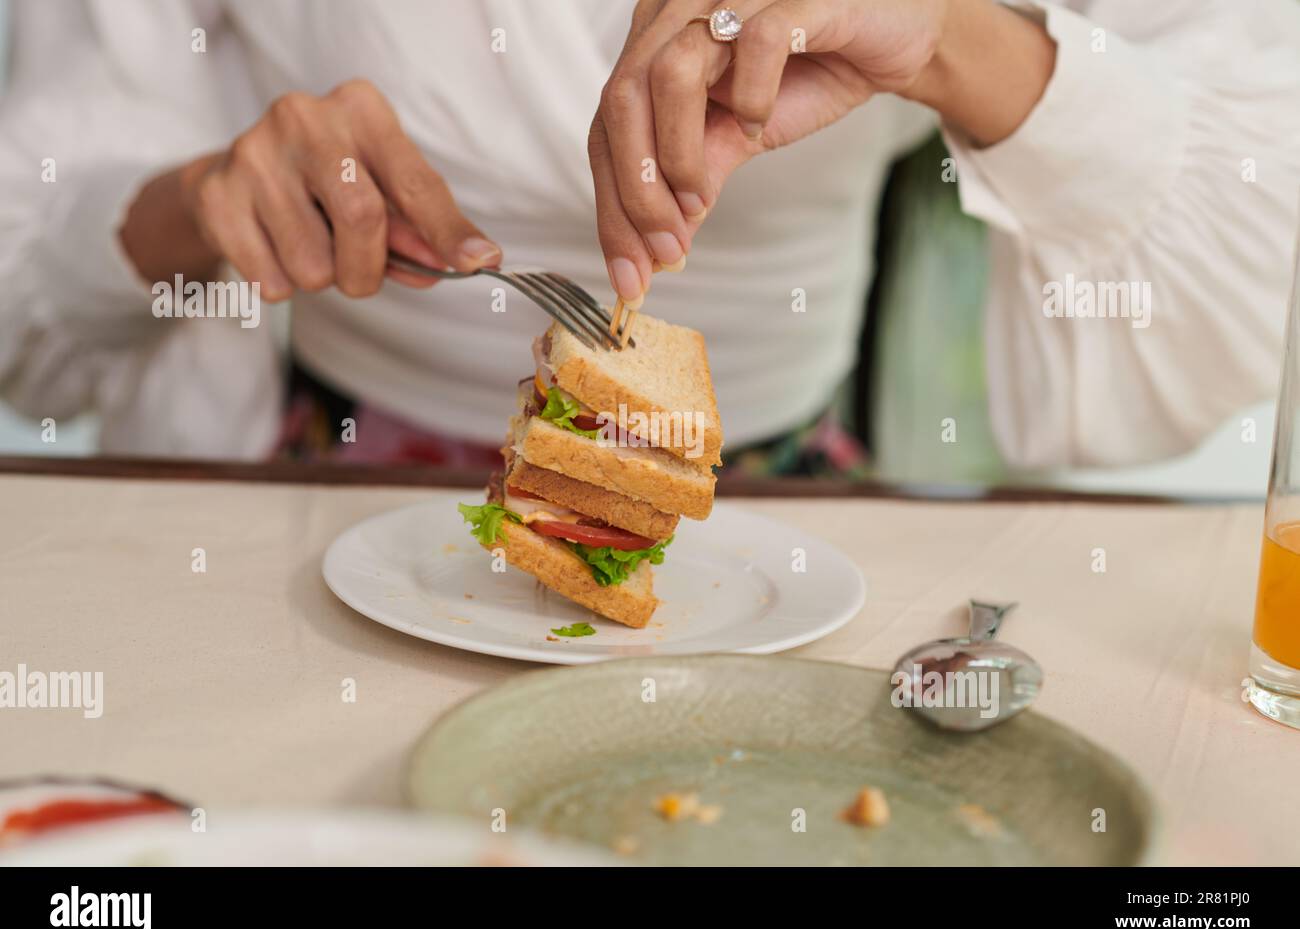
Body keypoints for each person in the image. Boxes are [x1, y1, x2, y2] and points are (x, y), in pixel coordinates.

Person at [1, 0, 1297, 473]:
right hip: (313, 474)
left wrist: (956, 35)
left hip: (802, 502)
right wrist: (204, 203)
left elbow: (1249, 257)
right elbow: (31, 242)